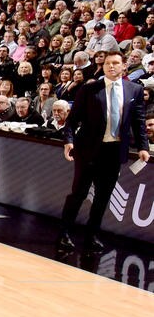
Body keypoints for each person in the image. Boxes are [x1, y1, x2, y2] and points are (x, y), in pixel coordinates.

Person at [57, 53, 148, 257]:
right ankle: (64, 233)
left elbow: (138, 121)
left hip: (114, 152)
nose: (111, 67)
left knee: (103, 197)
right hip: (87, 150)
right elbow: (72, 120)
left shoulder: (135, 90)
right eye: (107, 63)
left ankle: (91, 235)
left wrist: (143, 146)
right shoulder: (89, 89)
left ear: (124, 66)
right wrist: (68, 141)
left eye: (116, 63)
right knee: (78, 194)